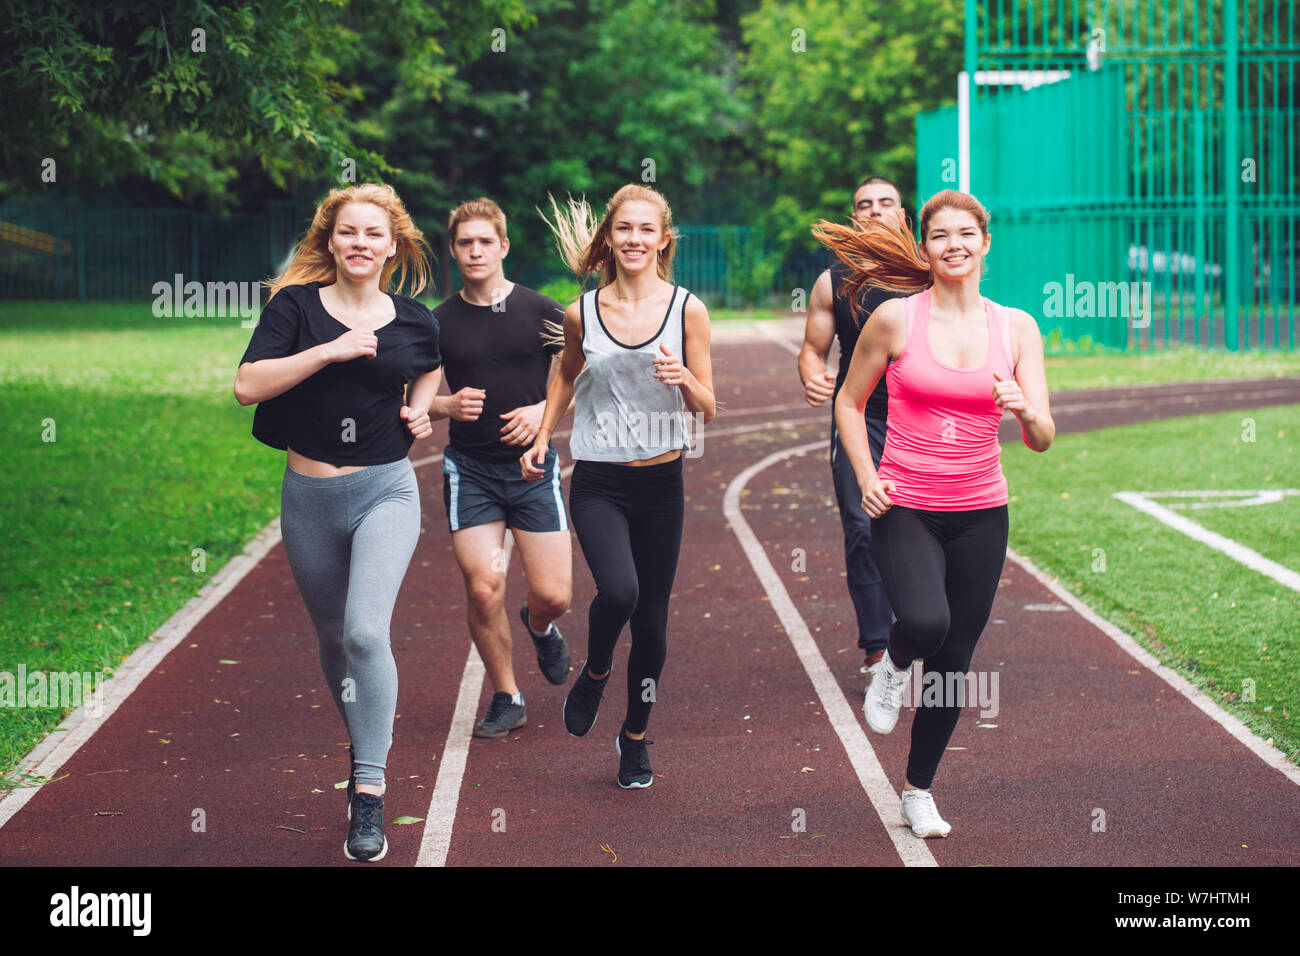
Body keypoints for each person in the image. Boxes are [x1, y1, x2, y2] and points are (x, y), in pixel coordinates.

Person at [814, 189, 1055, 839]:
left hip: (982, 511)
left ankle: (918, 790)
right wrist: (867, 476)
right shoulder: (895, 320)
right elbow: (848, 402)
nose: (954, 245)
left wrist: (1025, 409)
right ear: (924, 248)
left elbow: (1042, 436)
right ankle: (893, 662)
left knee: (953, 663)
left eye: (966, 234)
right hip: (907, 505)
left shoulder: (1017, 328)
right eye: (941, 235)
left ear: (985, 243)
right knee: (925, 621)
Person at [234, 183, 442, 862]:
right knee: (333, 640)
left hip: (386, 491)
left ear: (393, 246)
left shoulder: (413, 319)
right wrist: (329, 350)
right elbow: (248, 386)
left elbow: (430, 366)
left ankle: (370, 789)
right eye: (348, 231)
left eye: (373, 233)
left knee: (363, 632)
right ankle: (364, 741)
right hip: (309, 497)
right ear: (330, 240)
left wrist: (420, 407)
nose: (360, 242)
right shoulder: (294, 308)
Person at [522, 184, 716, 789]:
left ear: (664, 240)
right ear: (608, 237)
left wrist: (684, 379)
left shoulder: (688, 310)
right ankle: (598, 667)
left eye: (645, 229)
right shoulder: (581, 312)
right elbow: (565, 375)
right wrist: (543, 434)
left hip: (662, 481)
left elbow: (708, 408)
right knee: (621, 591)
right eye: (623, 228)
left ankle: (633, 738)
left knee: (653, 626)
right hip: (599, 479)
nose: (634, 239)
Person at [421, 197, 573, 739]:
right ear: (453, 250)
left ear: (504, 246)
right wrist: (446, 405)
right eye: (465, 243)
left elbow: (583, 376)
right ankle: (508, 695)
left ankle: (540, 625)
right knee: (485, 587)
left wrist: (542, 412)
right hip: (471, 472)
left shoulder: (543, 311)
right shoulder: (438, 322)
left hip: (532, 469)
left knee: (554, 595)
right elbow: (413, 398)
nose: (476, 251)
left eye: (486, 241)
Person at [798, 176, 908, 677]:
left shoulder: (925, 271)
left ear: (902, 215)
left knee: (920, 526)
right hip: (859, 417)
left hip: (922, 421)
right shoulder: (833, 281)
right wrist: (811, 376)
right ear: (854, 216)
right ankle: (878, 647)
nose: (875, 211)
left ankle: (922, 625)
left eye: (886, 203)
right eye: (865, 205)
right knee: (863, 527)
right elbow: (812, 349)